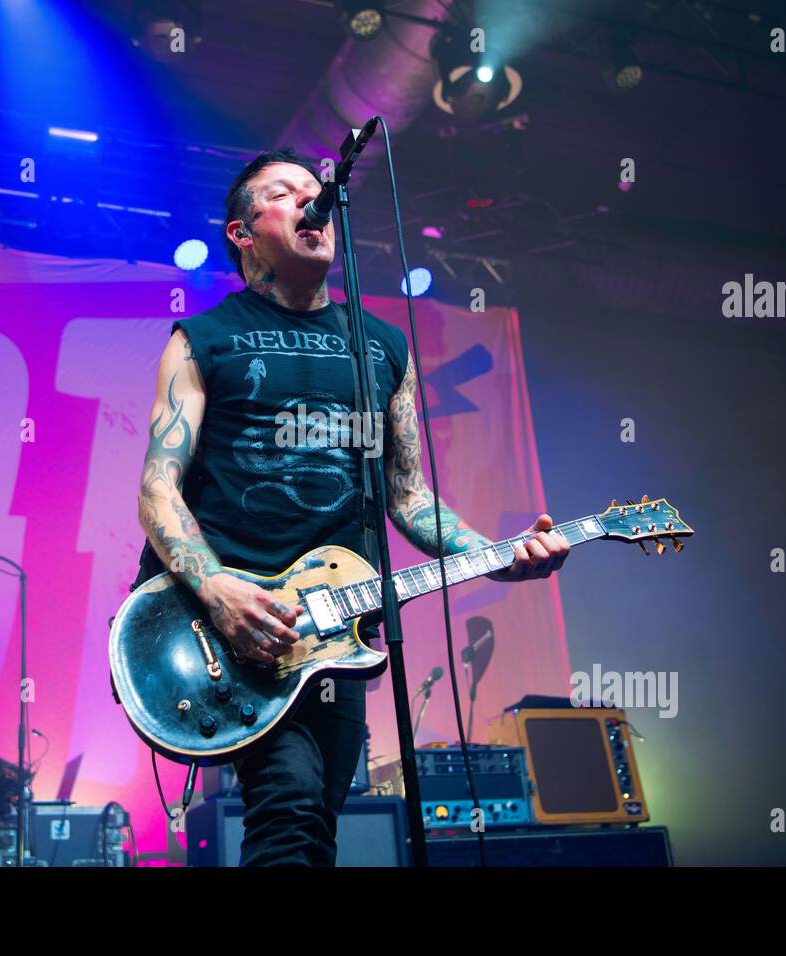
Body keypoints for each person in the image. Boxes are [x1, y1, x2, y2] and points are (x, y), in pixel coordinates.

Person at [132, 147, 569, 866]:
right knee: (291, 807)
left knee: (319, 822)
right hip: (233, 626)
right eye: (285, 194)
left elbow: (408, 495)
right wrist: (215, 590)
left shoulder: (383, 348)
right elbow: (157, 488)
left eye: (317, 191)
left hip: (337, 626)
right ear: (242, 233)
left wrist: (497, 558)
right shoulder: (203, 340)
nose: (312, 203)